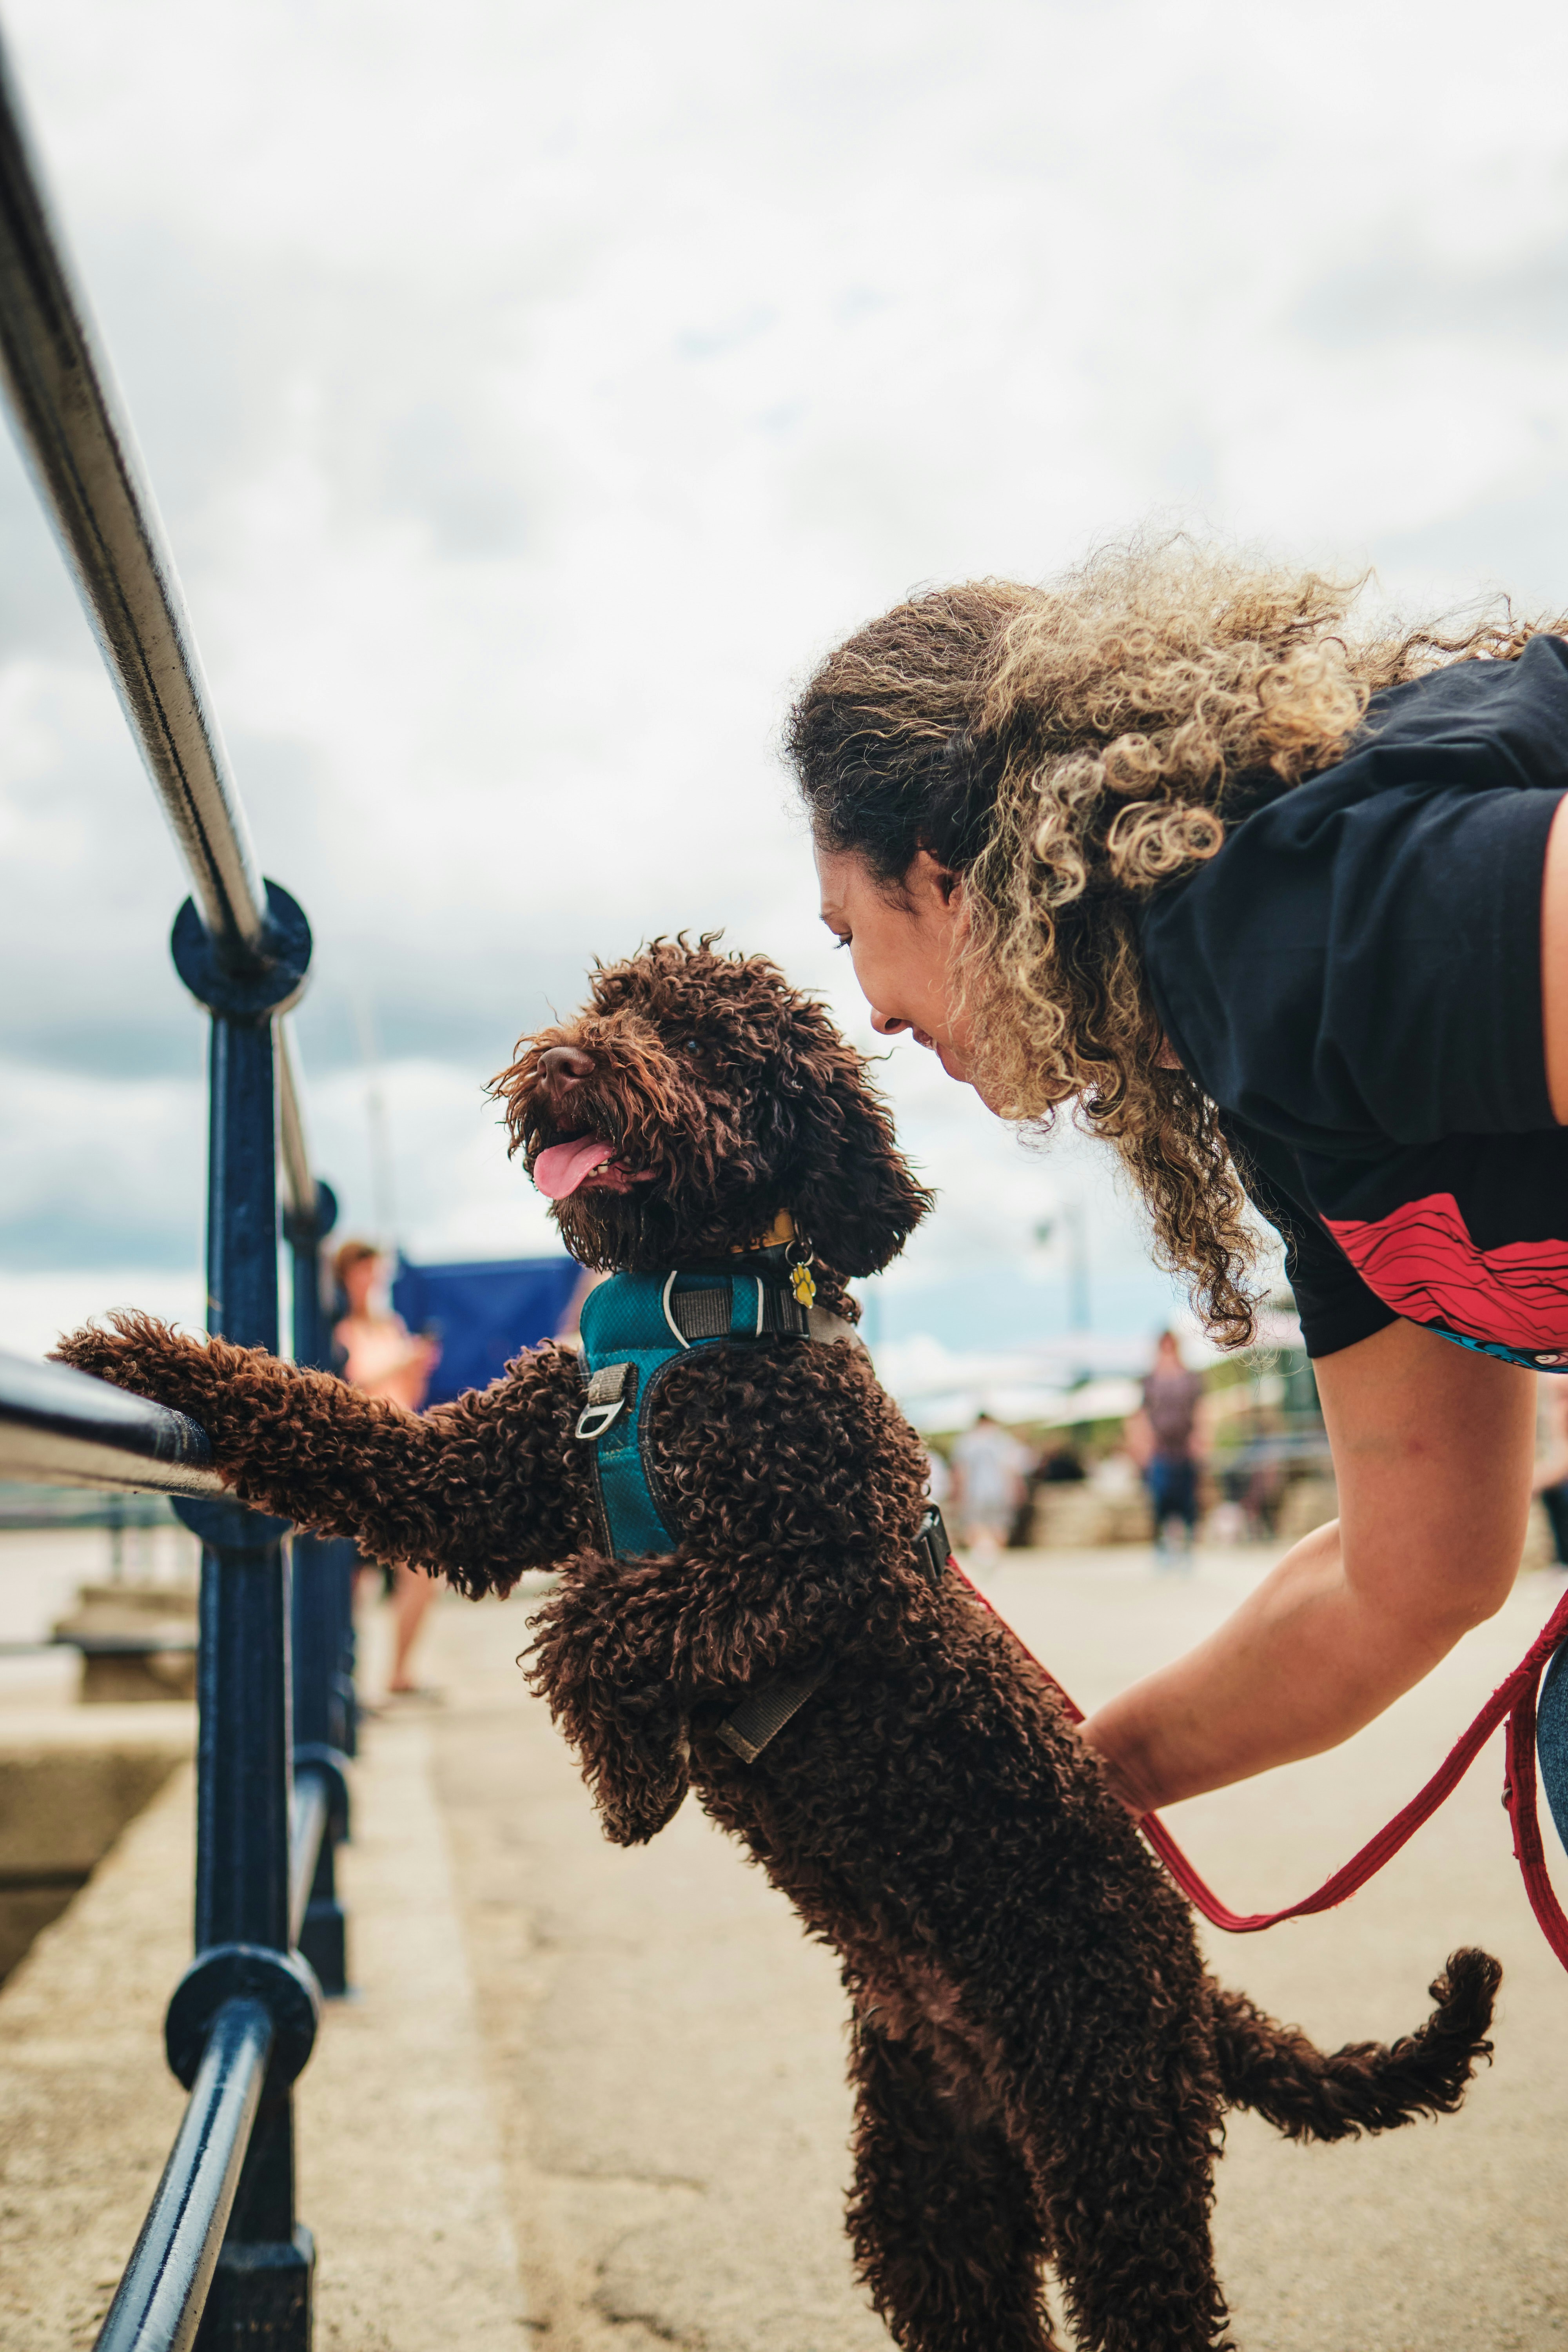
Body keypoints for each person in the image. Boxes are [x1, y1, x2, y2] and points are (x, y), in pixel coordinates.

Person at [789, 541, 1568, 1815]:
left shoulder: (1294, 916)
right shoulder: (1258, 1068)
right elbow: (1408, 1577)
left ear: (947, 871)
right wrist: (1058, 1814)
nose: (870, 1012)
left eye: (847, 934)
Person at [332, 1240, 442, 1699]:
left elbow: (407, 1395)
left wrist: (418, 1367)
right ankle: (347, 1685)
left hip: (397, 1453)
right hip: (356, 1462)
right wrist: (400, 1362)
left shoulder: (389, 1325)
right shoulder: (334, 1330)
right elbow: (341, 1389)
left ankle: (398, 1673)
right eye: (364, 1273)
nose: (372, 1282)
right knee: (355, 1579)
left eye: (375, 1273)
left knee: (423, 1569)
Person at [1131, 1330, 1205, 1559]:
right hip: (1160, 1451)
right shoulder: (1149, 1381)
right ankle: (1162, 1546)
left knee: (1188, 1500)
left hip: (1185, 1449)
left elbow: (1201, 1410)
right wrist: (1141, 1445)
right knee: (1161, 1498)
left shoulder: (1191, 1379)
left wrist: (1201, 1439)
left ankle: (1187, 1546)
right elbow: (1141, 1416)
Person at [950, 1410, 1029, 1560]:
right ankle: (995, 1558)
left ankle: (981, 1557)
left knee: (973, 1526)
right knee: (999, 1527)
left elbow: (960, 1472)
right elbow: (1014, 1470)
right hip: (1001, 1493)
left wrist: (956, 1495)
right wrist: (1019, 1492)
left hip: (973, 1493)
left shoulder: (966, 1441)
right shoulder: (1004, 1440)